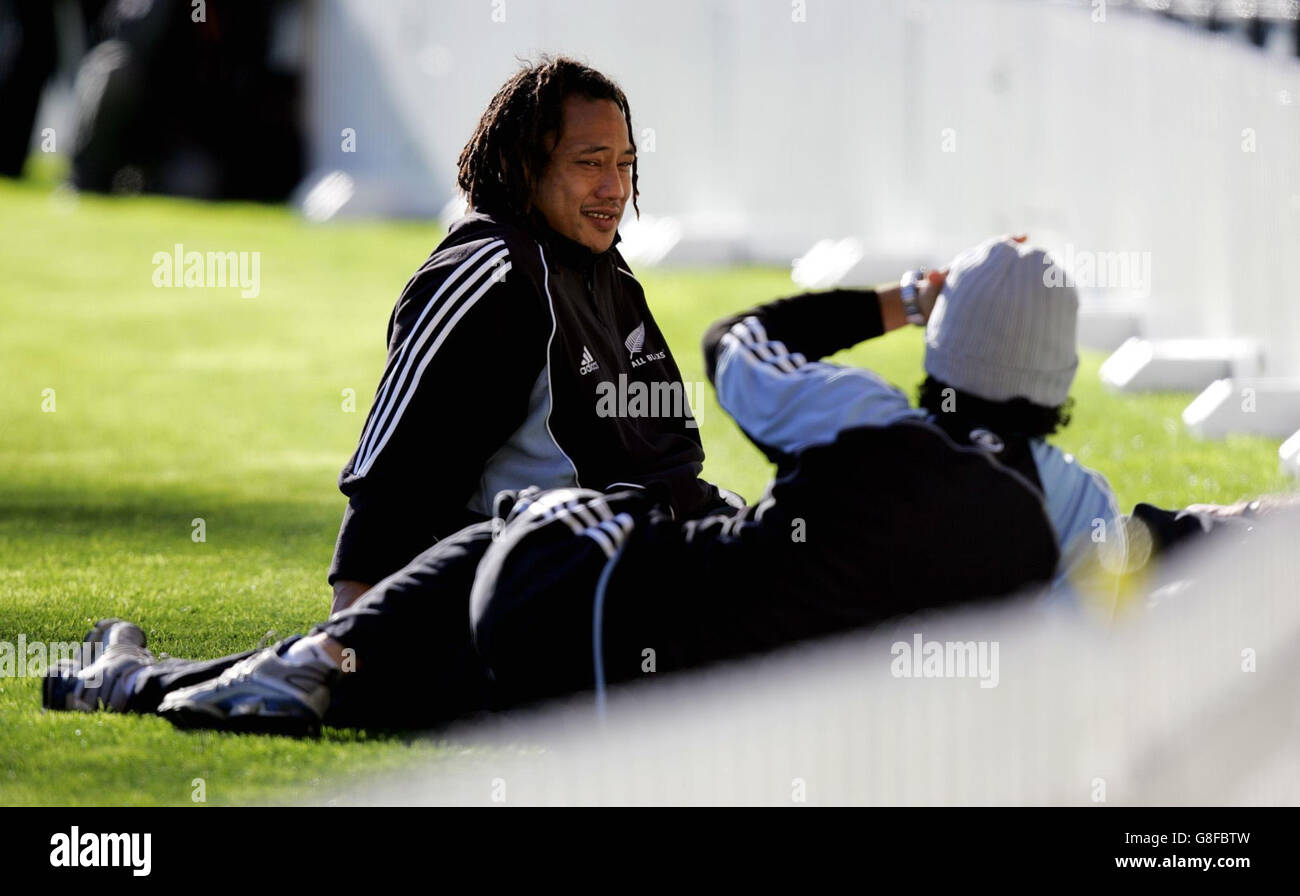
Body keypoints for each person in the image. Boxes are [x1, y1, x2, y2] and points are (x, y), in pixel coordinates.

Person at [43, 236, 1270, 732]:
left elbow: (738, 340)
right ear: (1059, 384)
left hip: (579, 600)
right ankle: (180, 676)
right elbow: (1180, 535)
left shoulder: (867, 417)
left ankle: (300, 662)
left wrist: (888, 302)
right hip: (670, 718)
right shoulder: (1076, 513)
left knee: (618, 506)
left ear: (942, 359)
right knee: (461, 675)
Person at [327, 56, 741, 613]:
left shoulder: (605, 269)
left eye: (624, 163)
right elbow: (395, 478)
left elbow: (664, 453)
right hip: (558, 584)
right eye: (589, 163)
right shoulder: (492, 275)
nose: (615, 188)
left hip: (664, 542)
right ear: (523, 165)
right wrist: (346, 645)